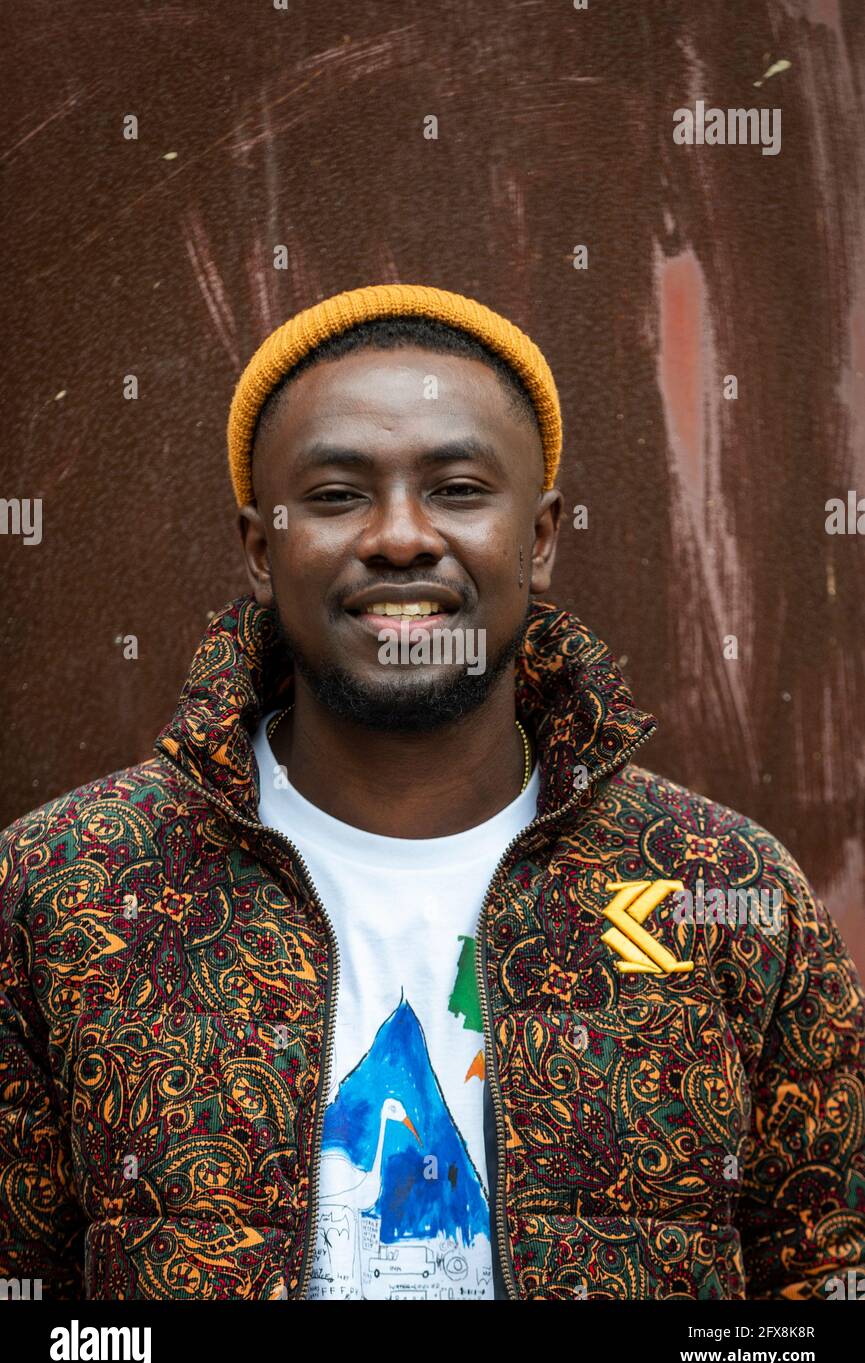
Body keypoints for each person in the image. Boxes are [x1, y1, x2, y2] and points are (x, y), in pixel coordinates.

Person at [0, 284, 862, 1302]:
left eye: (456, 488)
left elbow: (824, 1270)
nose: (400, 536)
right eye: (334, 495)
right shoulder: (66, 888)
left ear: (538, 538)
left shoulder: (721, 887)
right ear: (259, 547)